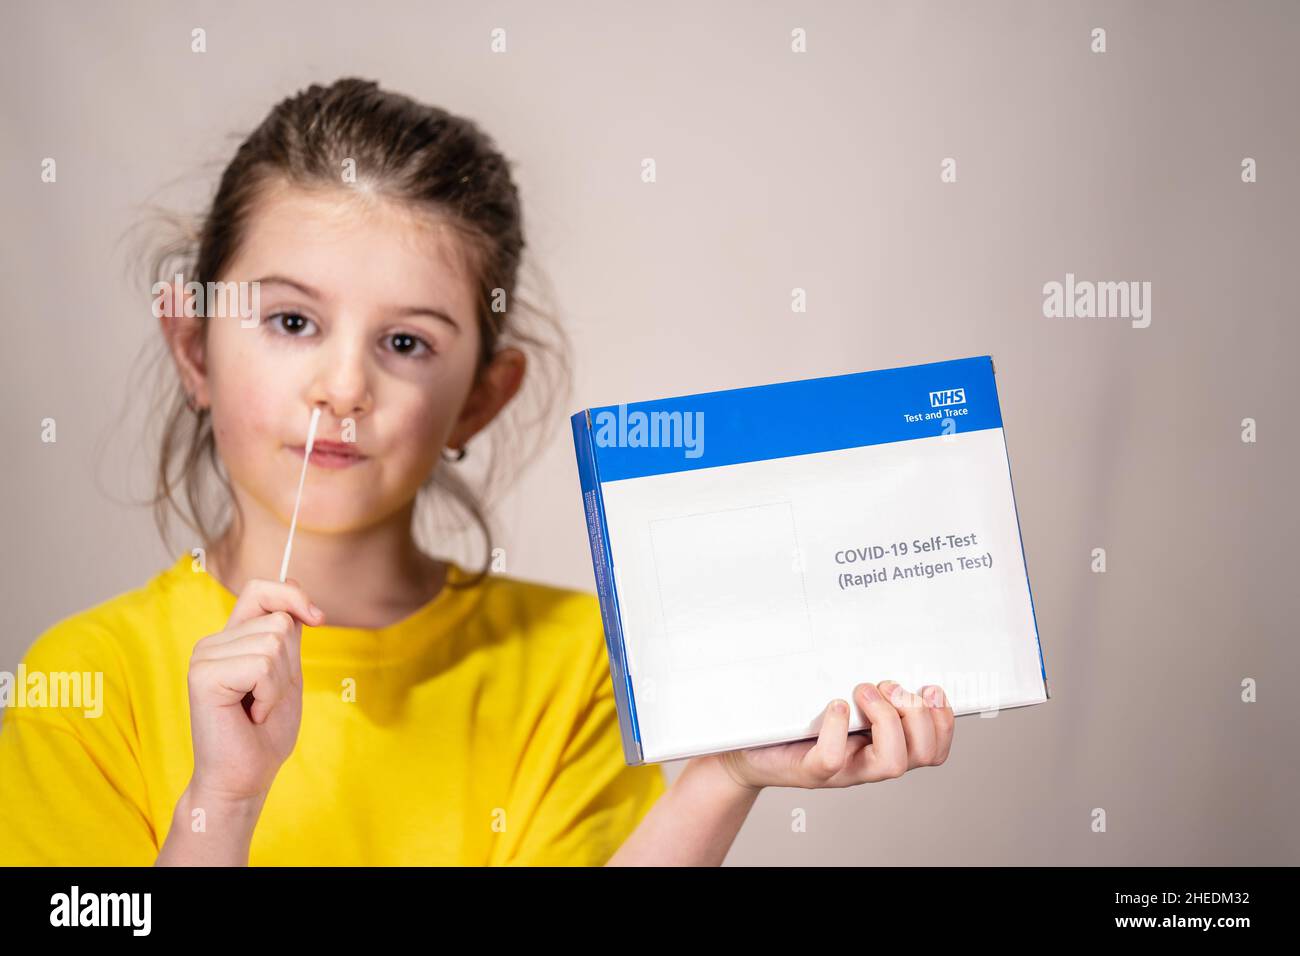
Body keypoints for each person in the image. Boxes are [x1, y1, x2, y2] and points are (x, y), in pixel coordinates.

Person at [0, 78, 954, 866]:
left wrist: (723, 778)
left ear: (481, 398)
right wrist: (224, 797)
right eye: (291, 322)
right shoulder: (83, 681)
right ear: (195, 349)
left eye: (406, 341)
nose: (343, 387)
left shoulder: (578, 662)